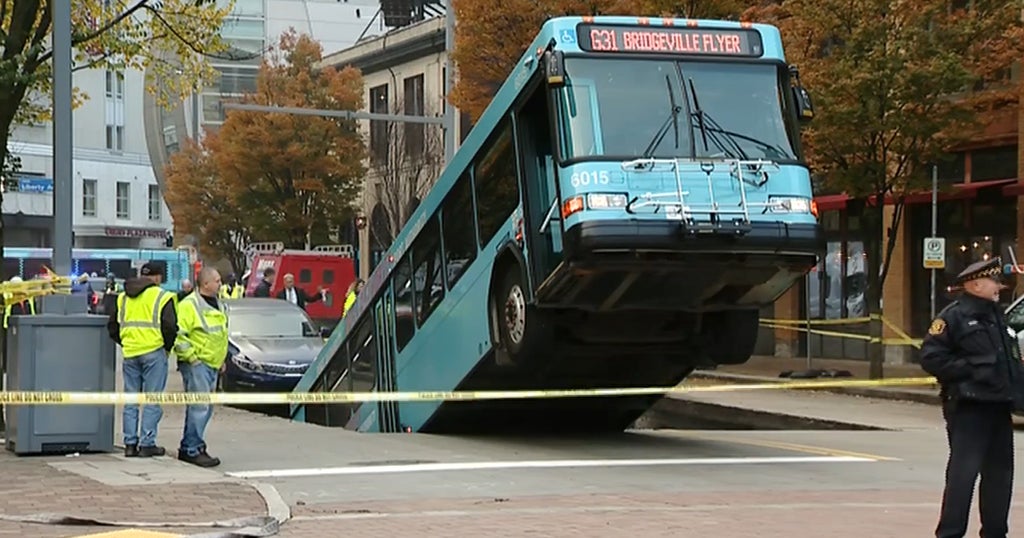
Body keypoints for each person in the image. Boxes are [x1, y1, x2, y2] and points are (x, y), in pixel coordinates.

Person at [920, 257, 1021, 538]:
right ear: (976, 284)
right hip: (968, 408)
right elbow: (931, 357)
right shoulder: (953, 317)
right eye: (993, 281)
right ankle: (950, 533)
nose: (999, 286)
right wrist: (971, 371)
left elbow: (1007, 361)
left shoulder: (996, 316)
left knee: (1000, 476)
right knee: (963, 475)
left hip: (999, 406)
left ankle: (995, 532)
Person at [106, 262, 176, 458]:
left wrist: (127, 342)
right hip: (154, 352)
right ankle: (147, 443)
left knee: (131, 400)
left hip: (130, 353)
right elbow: (170, 326)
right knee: (152, 399)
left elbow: (112, 326)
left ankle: (129, 444)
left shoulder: (123, 297)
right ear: (158, 277)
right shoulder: (162, 297)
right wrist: (166, 348)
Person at [174, 267, 227, 467]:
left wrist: (221, 359)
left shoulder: (218, 305)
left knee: (204, 408)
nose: (220, 284)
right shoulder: (190, 305)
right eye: (217, 280)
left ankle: (194, 444)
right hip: (198, 364)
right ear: (206, 284)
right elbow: (180, 335)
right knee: (199, 407)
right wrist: (192, 358)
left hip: (211, 363)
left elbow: (220, 334)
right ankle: (191, 449)